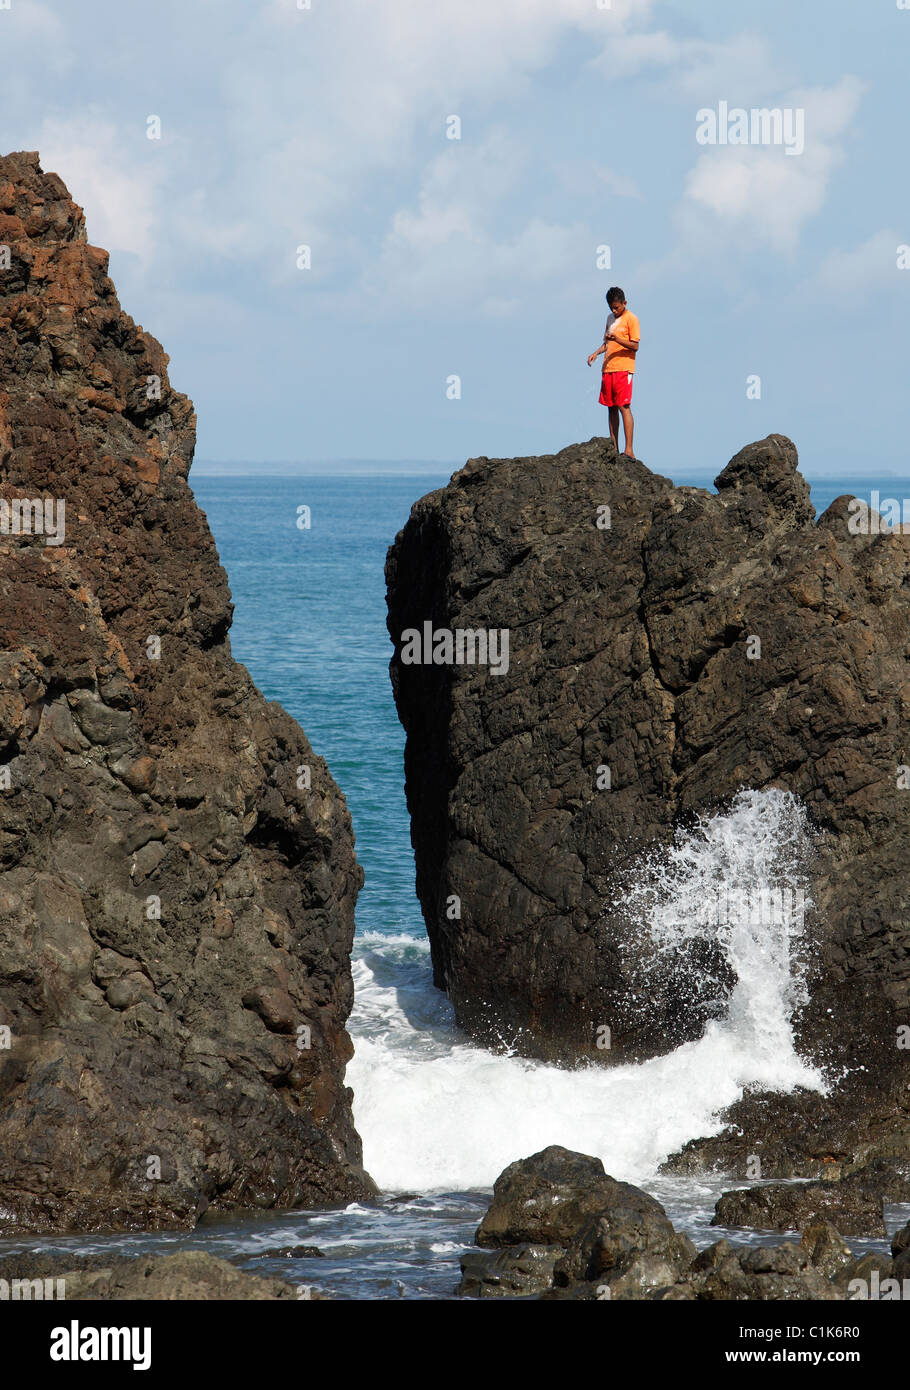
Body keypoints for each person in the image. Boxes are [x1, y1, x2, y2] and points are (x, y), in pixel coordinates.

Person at [587, 287, 640, 458]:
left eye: (617, 307)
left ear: (624, 303)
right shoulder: (610, 319)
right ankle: (614, 448)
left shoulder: (631, 319)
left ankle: (629, 450)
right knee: (611, 408)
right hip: (608, 368)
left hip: (624, 368)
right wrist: (596, 353)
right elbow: (607, 343)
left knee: (623, 406)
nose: (614, 310)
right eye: (611, 307)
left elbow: (635, 346)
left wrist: (617, 338)